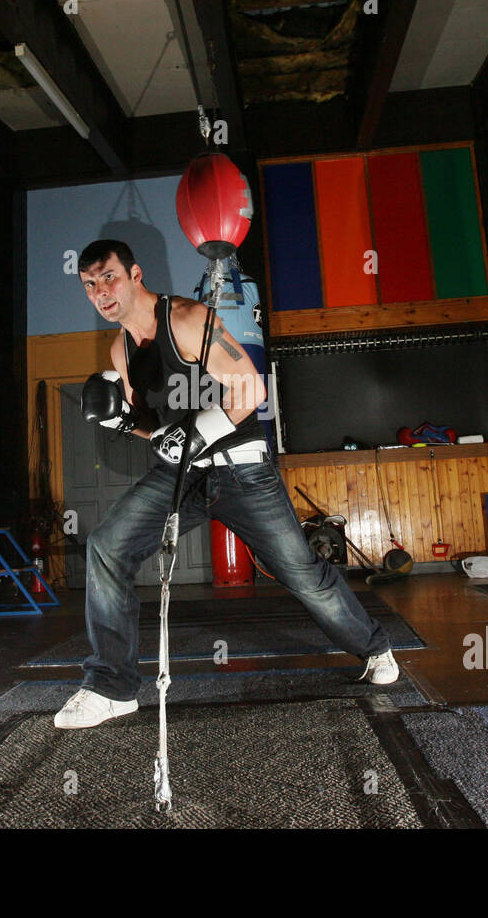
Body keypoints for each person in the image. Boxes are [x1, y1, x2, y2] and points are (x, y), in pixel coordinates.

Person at [54, 239, 397, 729]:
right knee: (108, 546)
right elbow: (159, 431)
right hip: (185, 473)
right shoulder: (121, 348)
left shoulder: (189, 319)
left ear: (134, 273)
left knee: (301, 573)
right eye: (89, 285)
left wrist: (191, 436)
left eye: (108, 277)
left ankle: (375, 648)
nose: (101, 292)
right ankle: (112, 687)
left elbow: (250, 389)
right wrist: (122, 424)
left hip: (242, 469)